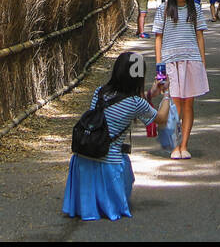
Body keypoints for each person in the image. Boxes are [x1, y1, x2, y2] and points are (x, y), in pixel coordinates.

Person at [62, 52, 172, 220]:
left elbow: (119, 106)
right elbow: (161, 119)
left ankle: (86, 203)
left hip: (84, 155)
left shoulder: (100, 92)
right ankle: (110, 203)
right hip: (107, 160)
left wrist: (150, 94)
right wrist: (166, 95)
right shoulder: (136, 103)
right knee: (123, 159)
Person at [152, 0, 209, 159]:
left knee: (188, 104)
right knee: (174, 104)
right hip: (170, 62)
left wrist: (202, 61)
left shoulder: (196, 9)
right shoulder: (163, 9)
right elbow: (158, 38)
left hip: (191, 59)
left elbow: (200, 36)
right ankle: (175, 146)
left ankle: (184, 144)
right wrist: (159, 65)